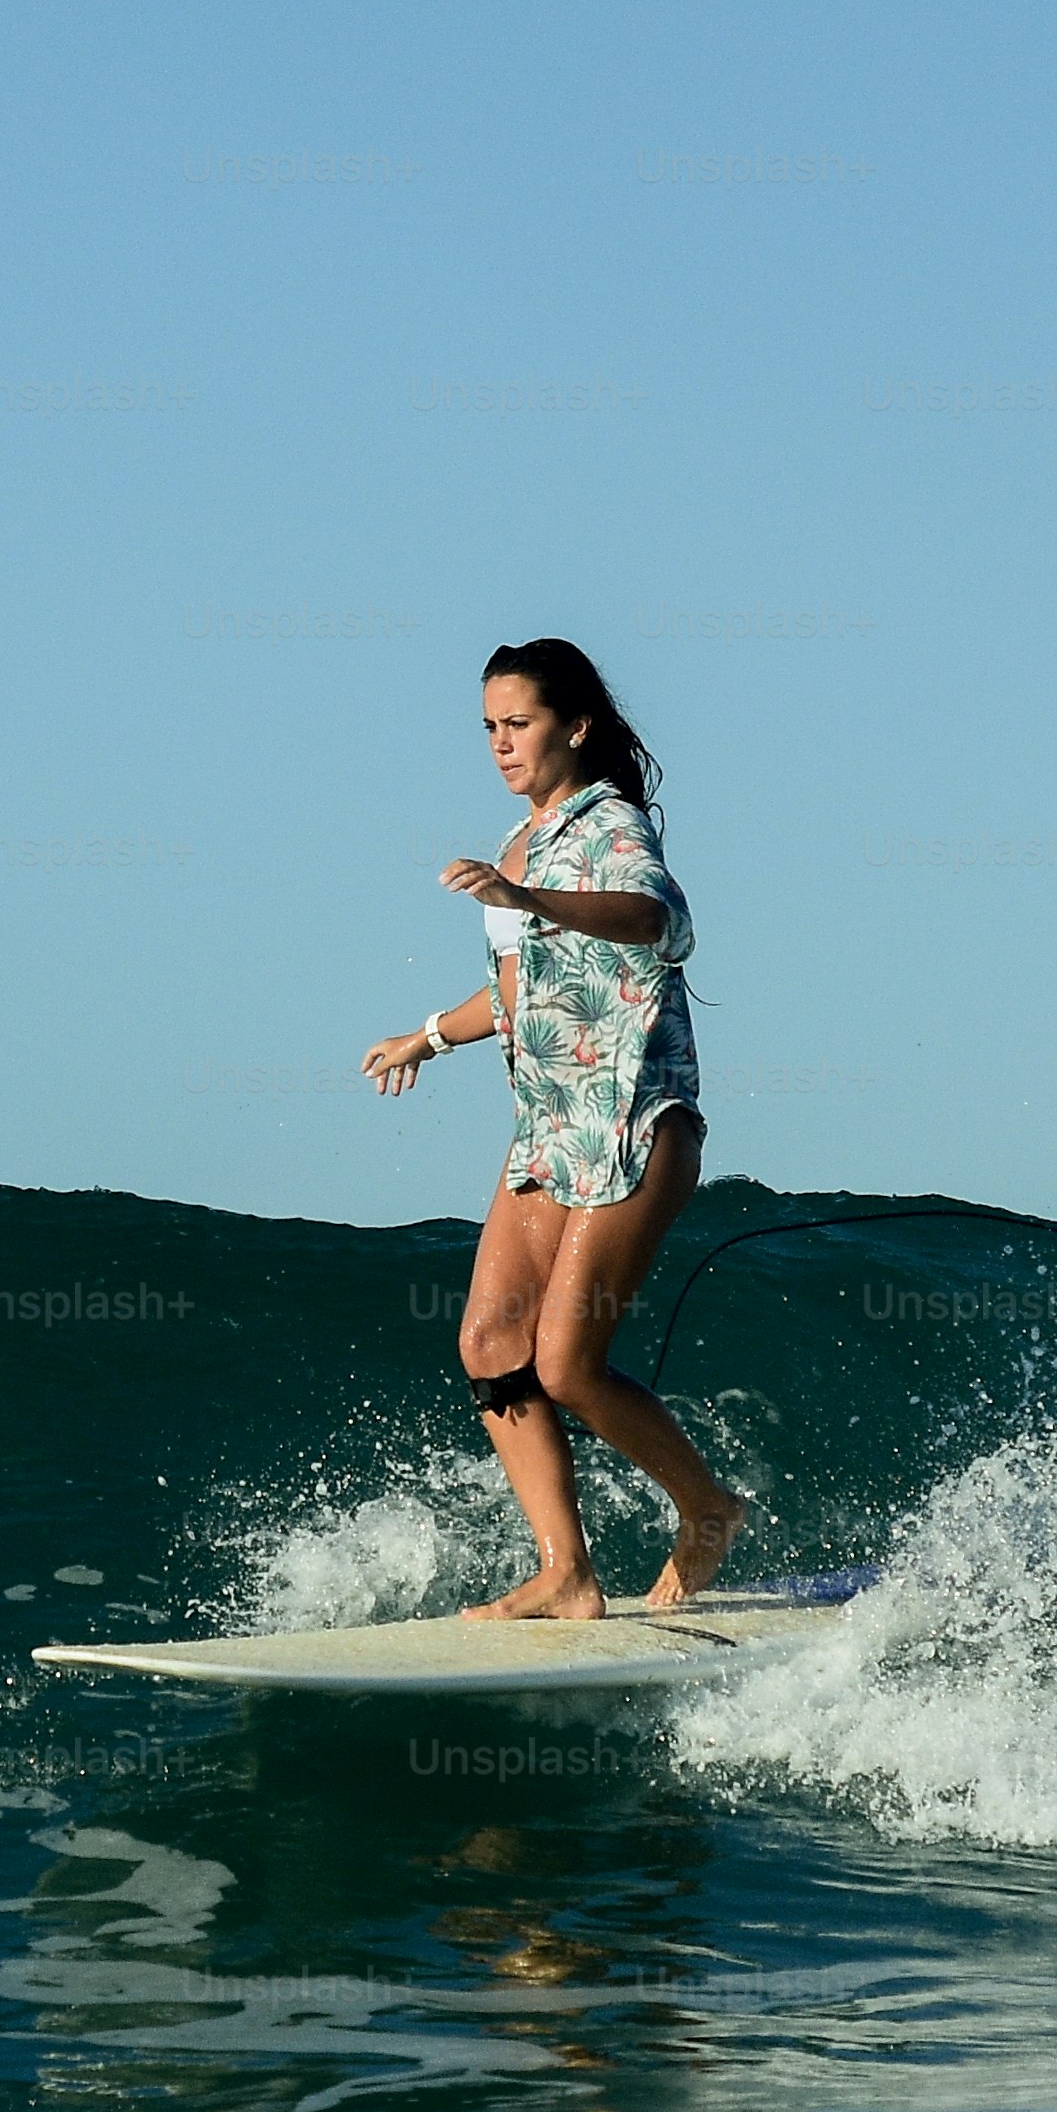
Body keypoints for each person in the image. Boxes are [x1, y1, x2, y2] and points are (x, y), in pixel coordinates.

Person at [361, 640, 747, 1617]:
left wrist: (528, 898)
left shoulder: (605, 827)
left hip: (633, 1121)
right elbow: (517, 987)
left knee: (569, 1364)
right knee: (491, 1343)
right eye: (489, 726)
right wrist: (427, 1038)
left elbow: (657, 915)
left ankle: (706, 1510)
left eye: (518, 723)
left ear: (574, 725)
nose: (500, 742)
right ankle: (567, 1572)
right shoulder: (520, 843)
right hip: (550, 1126)